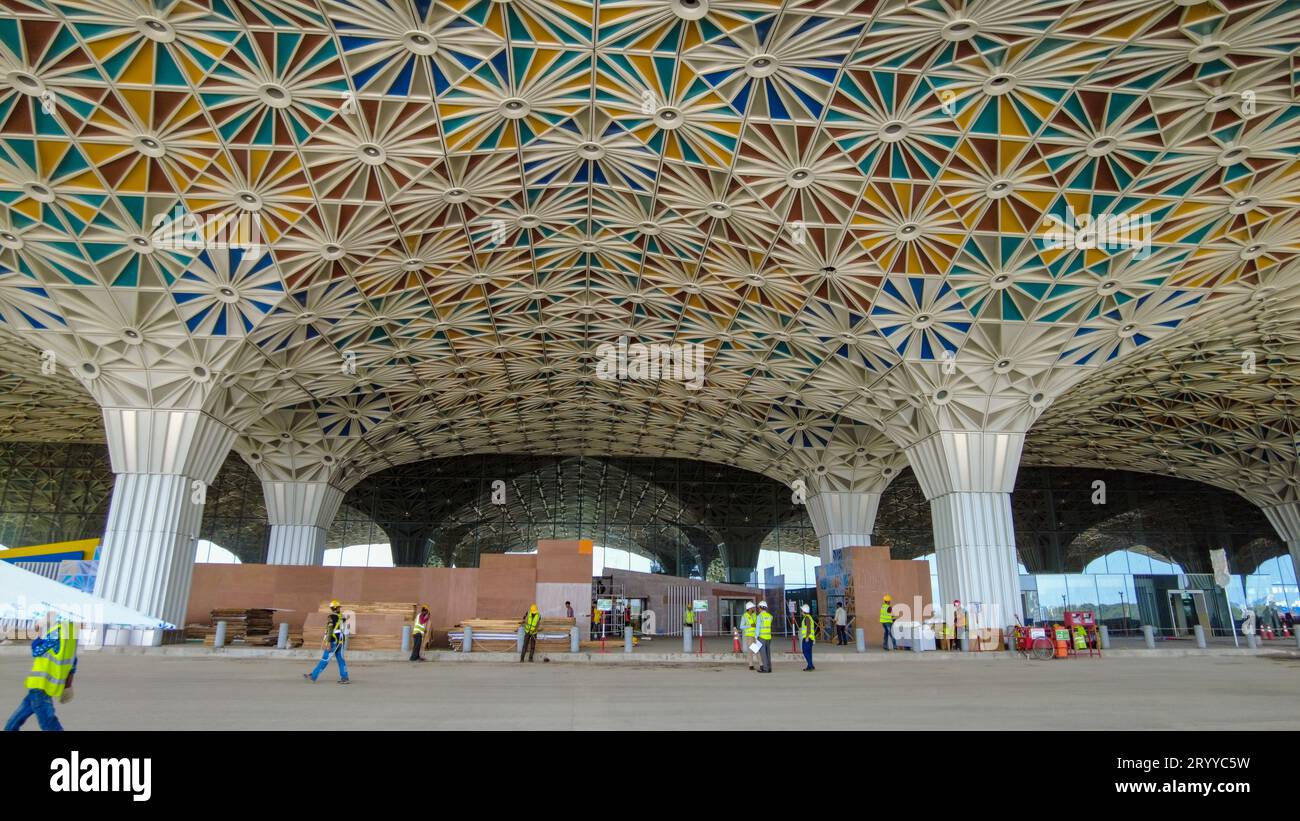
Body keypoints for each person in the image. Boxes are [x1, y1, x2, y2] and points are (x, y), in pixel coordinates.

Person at [5, 611, 76, 732]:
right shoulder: (71, 632)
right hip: (49, 685)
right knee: (20, 715)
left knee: (48, 722)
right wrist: (69, 682)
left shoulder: (56, 632)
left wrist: (38, 633)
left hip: (41, 684)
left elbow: (36, 650)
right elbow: (74, 661)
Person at [305, 600, 349, 684]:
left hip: (333, 641)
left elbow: (330, 629)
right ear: (338, 608)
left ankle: (313, 676)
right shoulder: (342, 617)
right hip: (340, 641)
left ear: (332, 608)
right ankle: (345, 677)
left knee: (325, 659)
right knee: (341, 660)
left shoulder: (331, 617)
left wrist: (328, 642)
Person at [756, 600, 774, 673]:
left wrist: (755, 637)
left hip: (762, 637)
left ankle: (765, 669)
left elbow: (758, 628)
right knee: (768, 653)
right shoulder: (770, 616)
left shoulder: (759, 616)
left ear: (760, 607)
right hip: (769, 637)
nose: (758, 609)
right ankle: (769, 668)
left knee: (763, 654)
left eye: (758, 608)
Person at [741, 601, 759, 670]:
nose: (754, 608)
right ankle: (751, 665)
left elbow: (757, 624)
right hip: (749, 636)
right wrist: (750, 625)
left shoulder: (755, 615)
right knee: (751, 651)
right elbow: (741, 626)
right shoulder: (744, 616)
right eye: (752, 607)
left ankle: (759, 664)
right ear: (749, 608)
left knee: (756, 650)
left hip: (755, 636)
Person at [799, 604, 816, 671]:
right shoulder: (809, 617)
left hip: (807, 638)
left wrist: (806, 637)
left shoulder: (807, 618)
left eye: (802, 610)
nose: (801, 612)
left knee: (805, 652)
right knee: (809, 652)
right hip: (810, 638)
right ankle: (810, 665)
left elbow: (808, 628)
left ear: (804, 611)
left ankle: (810, 665)